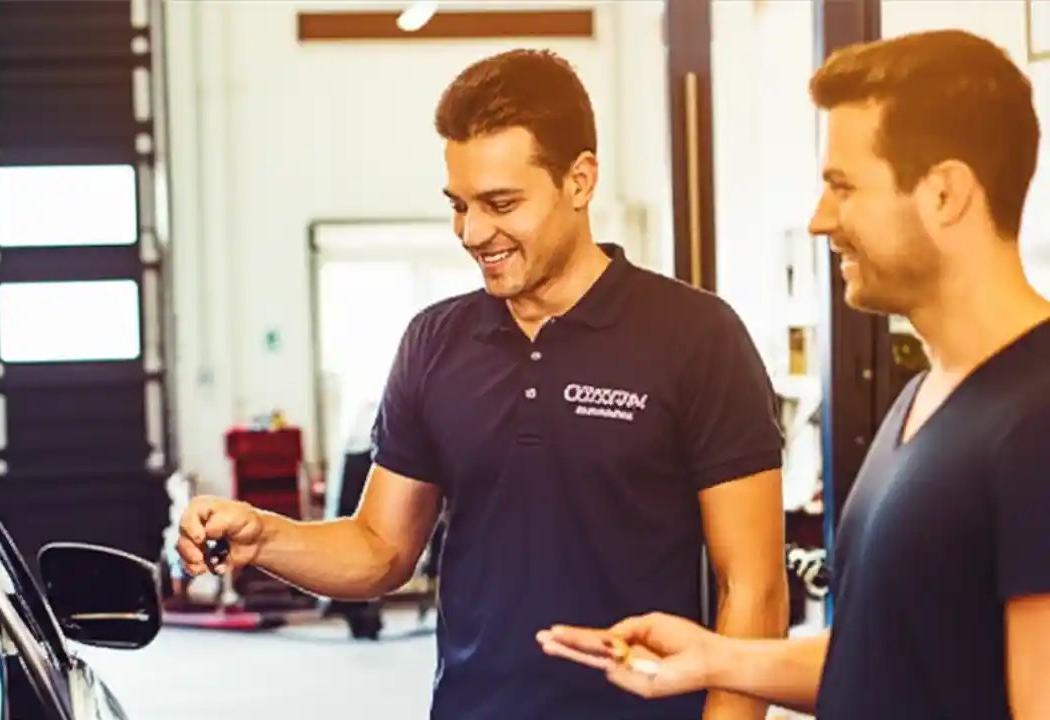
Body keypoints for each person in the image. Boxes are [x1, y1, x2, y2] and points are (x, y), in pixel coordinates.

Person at [178, 48, 789, 719]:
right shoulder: (433, 343)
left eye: (501, 203)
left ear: (580, 181)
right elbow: (381, 549)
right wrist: (264, 536)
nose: (472, 232)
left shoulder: (695, 336)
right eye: (460, 204)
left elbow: (753, 589)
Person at [537, 29, 1050, 720]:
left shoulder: (1038, 417)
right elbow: (889, 655)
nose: (819, 219)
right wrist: (716, 658)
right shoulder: (924, 400)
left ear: (944, 193)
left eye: (842, 186)